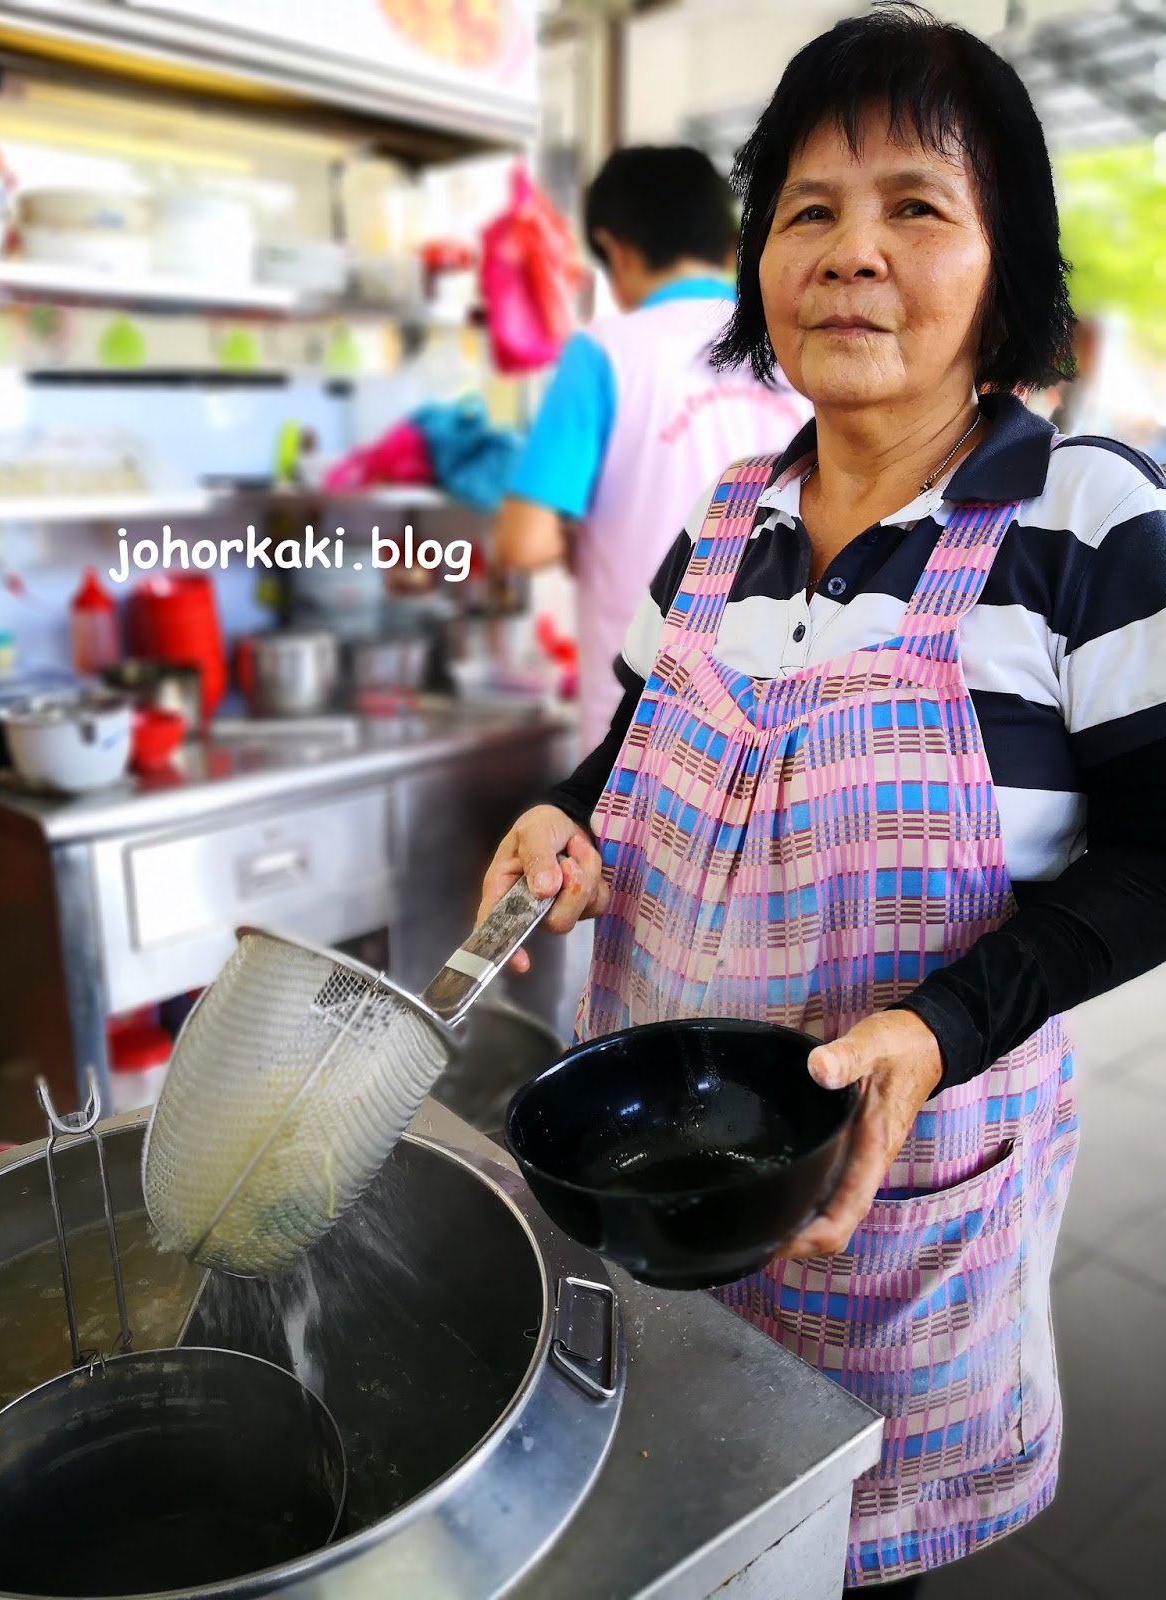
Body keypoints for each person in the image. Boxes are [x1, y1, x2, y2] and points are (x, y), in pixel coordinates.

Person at [475, 5, 1166, 1594]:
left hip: (902, 1224)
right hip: (656, 1185)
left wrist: (945, 1025)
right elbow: (633, 745)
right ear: (758, 264)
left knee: (848, 1555)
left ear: (1009, 268)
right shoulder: (725, 522)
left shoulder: (1088, 520)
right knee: (678, 1531)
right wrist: (568, 822)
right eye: (807, 210)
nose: (853, 253)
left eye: (918, 207)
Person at [496, 144, 809, 753]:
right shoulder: (792, 349)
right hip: (783, 723)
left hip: (637, 727)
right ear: (727, 244)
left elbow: (524, 542)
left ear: (614, 248)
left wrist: (592, 531)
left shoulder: (605, 354)